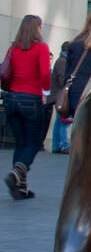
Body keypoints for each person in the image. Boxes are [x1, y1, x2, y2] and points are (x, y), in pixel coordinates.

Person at [2, 14, 51, 199]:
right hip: (31, 98)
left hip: (12, 99)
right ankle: (17, 173)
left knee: (20, 144)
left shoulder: (13, 49)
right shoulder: (41, 48)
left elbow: (6, 71)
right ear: (36, 28)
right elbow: (45, 75)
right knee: (33, 143)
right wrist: (45, 93)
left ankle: (19, 189)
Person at [49, 42, 72, 153]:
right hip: (61, 95)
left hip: (58, 95)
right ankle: (63, 144)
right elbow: (63, 80)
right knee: (63, 120)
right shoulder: (63, 62)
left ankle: (55, 145)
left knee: (59, 121)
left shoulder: (60, 60)